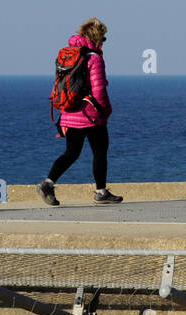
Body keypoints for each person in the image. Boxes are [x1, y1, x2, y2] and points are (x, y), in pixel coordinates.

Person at [38, 18, 123, 205]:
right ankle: (101, 192)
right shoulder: (94, 58)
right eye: (104, 38)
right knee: (100, 152)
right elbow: (99, 89)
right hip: (91, 114)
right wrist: (105, 110)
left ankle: (47, 183)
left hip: (69, 112)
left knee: (71, 153)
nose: (104, 41)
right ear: (97, 37)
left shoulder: (68, 55)